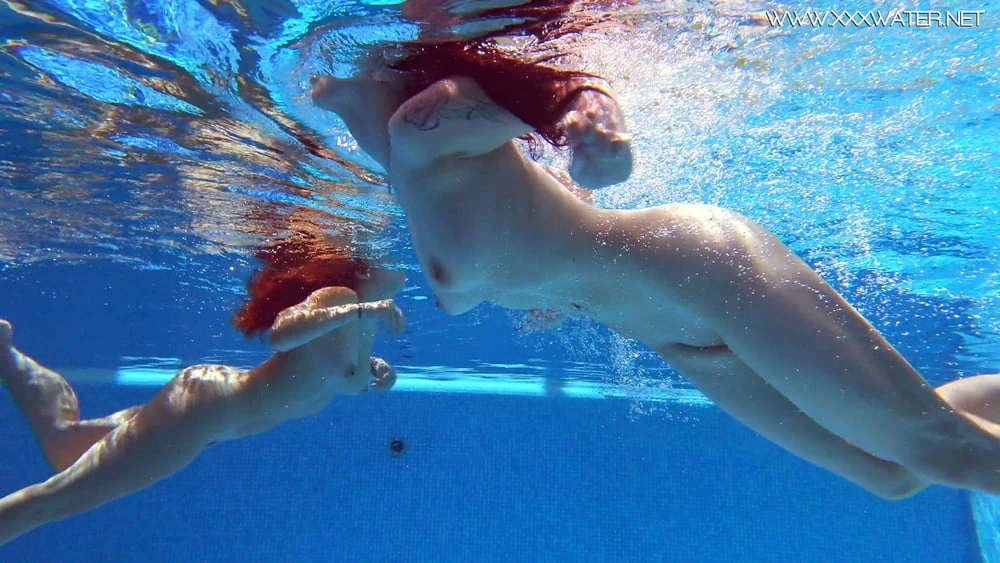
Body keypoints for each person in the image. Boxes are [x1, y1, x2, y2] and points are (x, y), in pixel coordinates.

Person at [310, 0, 1000, 499]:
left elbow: (548, 94)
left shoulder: (421, 131)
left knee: (941, 450)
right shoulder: (406, 172)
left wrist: (592, 125)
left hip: (701, 269)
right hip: (677, 336)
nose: (343, 73)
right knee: (892, 474)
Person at [0, 234, 407, 545]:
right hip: (205, 409)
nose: (405, 261)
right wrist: (359, 310)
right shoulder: (342, 300)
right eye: (392, 255)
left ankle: (5, 356)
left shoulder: (367, 320)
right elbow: (282, 334)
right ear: (365, 269)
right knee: (54, 500)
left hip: (212, 418)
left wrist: (374, 371)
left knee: (64, 448)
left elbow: (332, 369)